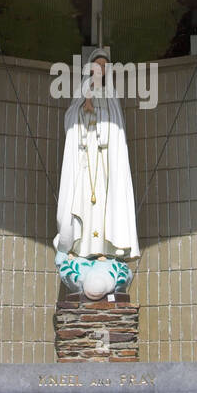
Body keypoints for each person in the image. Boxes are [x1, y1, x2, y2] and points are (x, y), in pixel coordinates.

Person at [54, 49, 140, 293]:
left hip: (105, 169)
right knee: (83, 206)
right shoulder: (81, 94)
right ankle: (82, 250)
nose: (99, 71)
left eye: (103, 67)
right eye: (96, 67)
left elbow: (116, 130)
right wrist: (84, 107)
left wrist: (99, 115)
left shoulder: (111, 96)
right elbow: (69, 123)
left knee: (105, 208)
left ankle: (103, 249)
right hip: (84, 165)